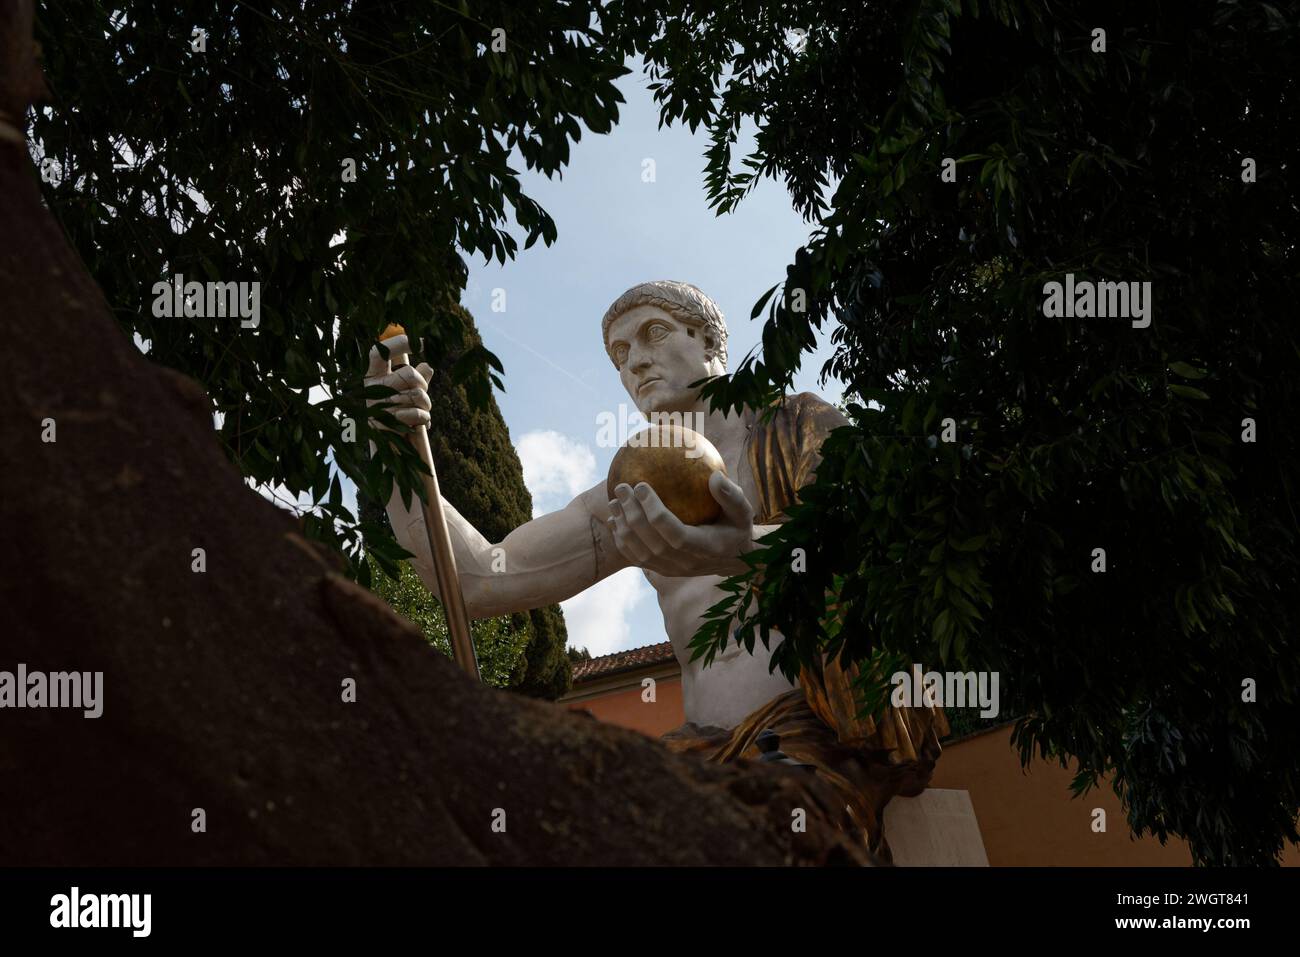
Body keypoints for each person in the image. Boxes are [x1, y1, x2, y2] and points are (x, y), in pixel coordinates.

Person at [367, 280, 944, 858]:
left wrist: (746, 554)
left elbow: (874, 565)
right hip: (703, 756)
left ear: (710, 341)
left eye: (653, 333)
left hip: (814, 749)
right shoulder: (633, 486)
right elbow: (476, 578)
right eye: (619, 354)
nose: (634, 360)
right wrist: (392, 447)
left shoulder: (800, 427)